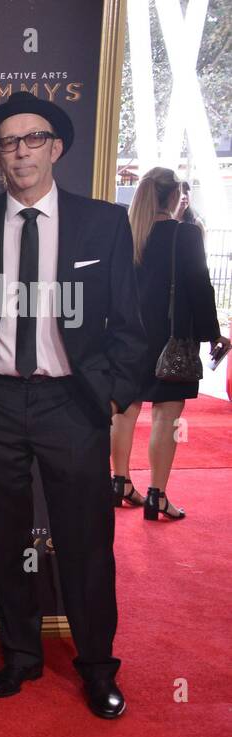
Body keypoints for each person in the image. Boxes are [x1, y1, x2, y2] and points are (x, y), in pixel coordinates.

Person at [0, 91, 149, 718]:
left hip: (73, 401)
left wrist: (113, 395)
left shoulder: (102, 222)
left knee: (86, 539)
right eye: (9, 142)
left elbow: (132, 322)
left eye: (34, 138)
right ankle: (21, 656)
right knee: (0, 537)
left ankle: (96, 665)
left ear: (56, 147)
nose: (21, 151)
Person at [112, 168, 226, 520]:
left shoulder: (126, 233)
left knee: (124, 410)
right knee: (167, 417)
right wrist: (213, 333)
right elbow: (199, 287)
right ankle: (157, 496)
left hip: (127, 336)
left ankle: (119, 483)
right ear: (175, 196)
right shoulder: (185, 235)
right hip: (172, 337)